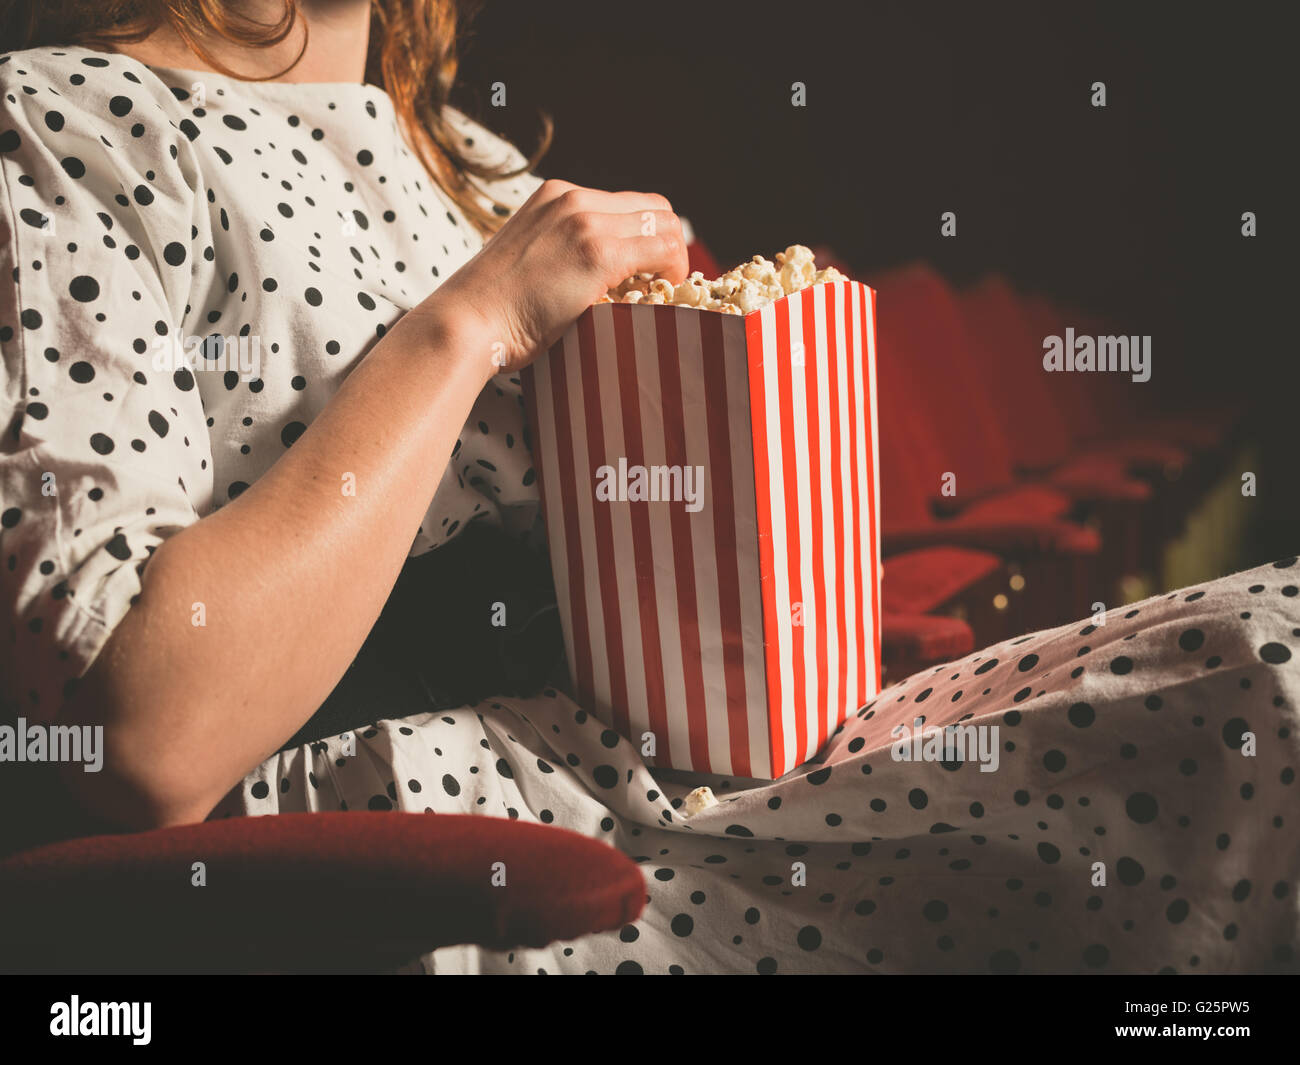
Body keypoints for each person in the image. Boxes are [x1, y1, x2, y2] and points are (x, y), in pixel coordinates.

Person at [1, 1, 1296, 974]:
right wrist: (477, 320)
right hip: (433, 837)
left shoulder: (464, 156)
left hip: (656, 764)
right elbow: (141, 732)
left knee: (1271, 658)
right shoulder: (65, 124)